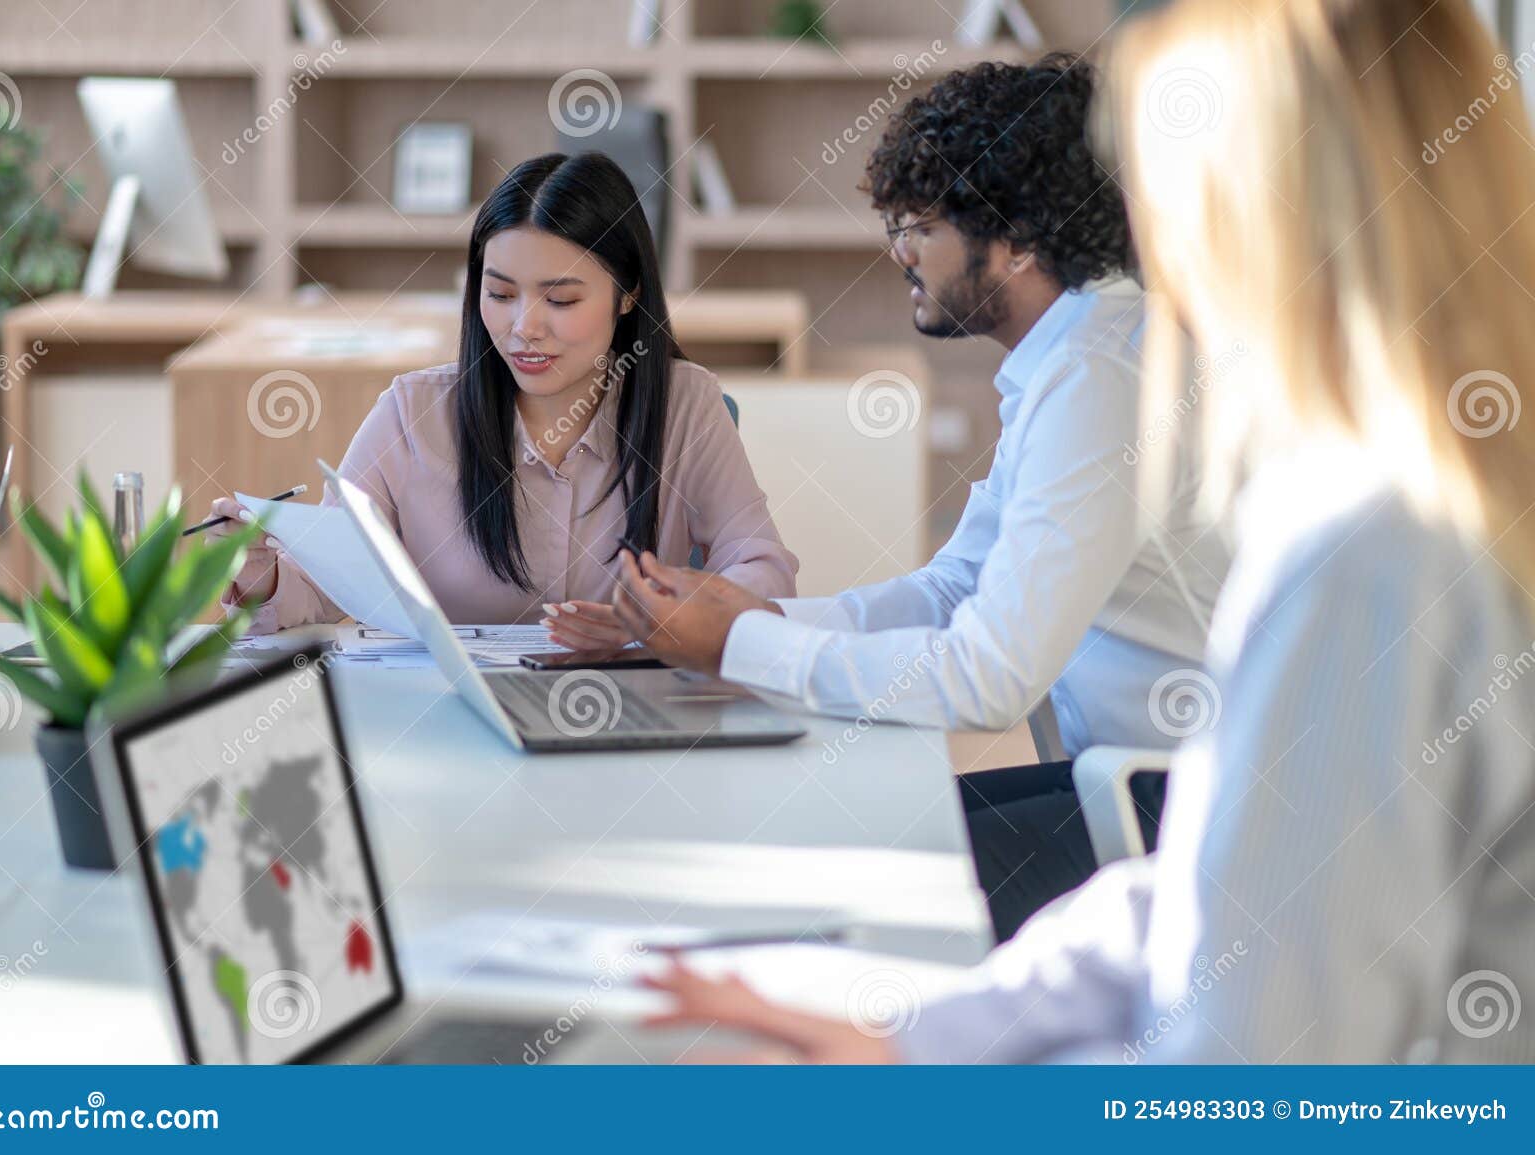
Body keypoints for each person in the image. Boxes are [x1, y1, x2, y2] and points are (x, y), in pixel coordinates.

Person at [640, 0, 1535, 1063]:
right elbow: (1198, 902)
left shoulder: (1363, 552)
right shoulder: (1373, 498)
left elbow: (1245, 1080)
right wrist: (917, 1038)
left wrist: (920, 1078)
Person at [606, 56, 1230, 939]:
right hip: (1138, 783)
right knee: (829, 827)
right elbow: (953, 590)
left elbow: (988, 679)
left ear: (1015, 237)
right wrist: (750, 618)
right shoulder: (1081, 355)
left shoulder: (1099, 376)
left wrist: (745, 645)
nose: (899, 252)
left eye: (919, 226)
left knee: (836, 885)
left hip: (1190, 815)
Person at [209, 152, 797, 633]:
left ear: (628, 294)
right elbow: (328, 582)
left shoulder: (685, 407)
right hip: (453, 728)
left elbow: (763, 569)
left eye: (561, 300)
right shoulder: (414, 413)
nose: (524, 328)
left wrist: (664, 621)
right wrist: (264, 570)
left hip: (631, 722)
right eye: (500, 294)